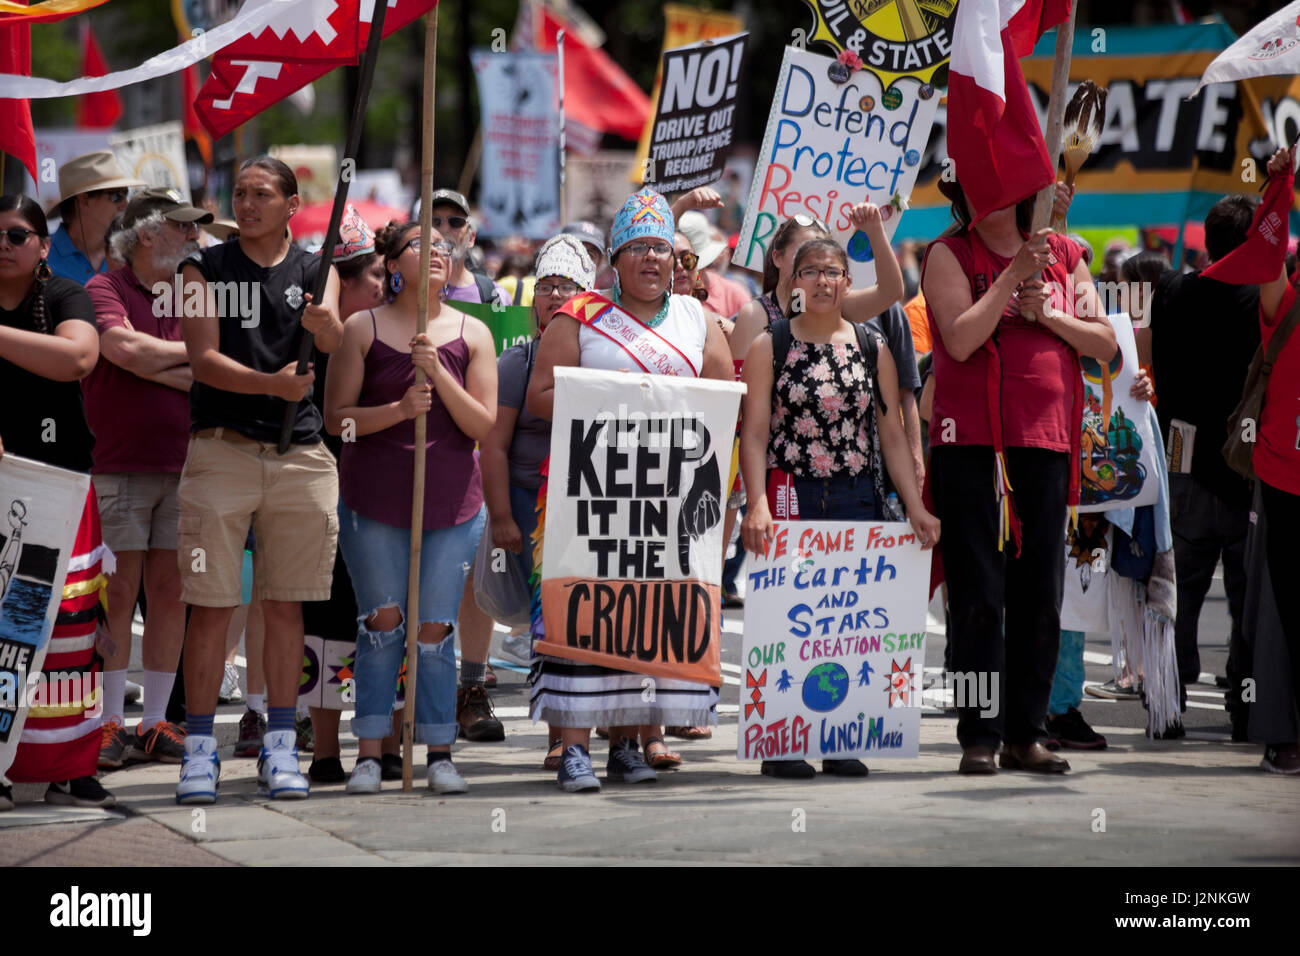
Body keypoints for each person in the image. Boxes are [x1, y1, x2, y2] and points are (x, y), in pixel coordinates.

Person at [525, 187, 733, 792]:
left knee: (645, 618)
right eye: (636, 248)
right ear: (614, 260)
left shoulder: (698, 320)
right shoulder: (579, 317)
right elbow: (540, 397)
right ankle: (572, 750)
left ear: (676, 259)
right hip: (589, 495)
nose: (650, 259)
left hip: (669, 499)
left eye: (660, 249)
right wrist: (617, 398)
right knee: (583, 615)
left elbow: (724, 402)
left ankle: (627, 744)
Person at [921, 175, 1116, 776]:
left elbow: (1105, 344)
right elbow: (956, 340)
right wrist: (1009, 279)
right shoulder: (948, 254)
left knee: (1040, 595)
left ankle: (1027, 731)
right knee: (979, 596)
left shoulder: (1065, 254)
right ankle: (980, 733)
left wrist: (1050, 313)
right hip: (973, 446)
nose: (997, 192)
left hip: (1046, 443)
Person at [173, 157, 344, 805]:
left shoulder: (315, 270)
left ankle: (278, 745)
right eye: (239, 193)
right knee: (212, 604)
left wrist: (325, 326)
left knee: (285, 605)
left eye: (262, 193)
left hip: (301, 454)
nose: (247, 203)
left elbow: (333, 333)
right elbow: (203, 360)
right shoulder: (199, 268)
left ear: (292, 204)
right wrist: (271, 385)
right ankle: (197, 749)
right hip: (222, 452)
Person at [739, 235, 940, 779]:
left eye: (834, 272)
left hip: (855, 497)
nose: (824, 281)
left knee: (845, 621)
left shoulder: (872, 346)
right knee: (790, 622)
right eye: (812, 272)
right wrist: (756, 503)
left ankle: (839, 733)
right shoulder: (770, 345)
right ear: (793, 283)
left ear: (848, 282)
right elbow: (753, 435)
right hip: (790, 495)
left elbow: (892, 435)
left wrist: (915, 507)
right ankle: (783, 741)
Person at [325, 221, 496, 794]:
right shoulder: (361, 328)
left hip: (450, 504)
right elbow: (338, 421)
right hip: (373, 501)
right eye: (423, 245)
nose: (439, 253)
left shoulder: (474, 333)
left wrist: (438, 377)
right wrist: (398, 409)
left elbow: (481, 424)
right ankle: (370, 751)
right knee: (382, 624)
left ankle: (440, 750)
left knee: (435, 629)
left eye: (445, 246)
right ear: (394, 264)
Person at [83, 188, 213, 770]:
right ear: (145, 236)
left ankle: (154, 719)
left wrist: (158, 360)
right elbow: (119, 348)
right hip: (119, 463)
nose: (195, 238)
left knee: (168, 594)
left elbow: (209, 369)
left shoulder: (194, 290)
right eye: (183, 229)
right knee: (117, 594)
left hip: (184, 465)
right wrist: (188, 360)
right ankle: (109, 720)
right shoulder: (103, 288)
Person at [0, 194, 113, 809]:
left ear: (44, 246)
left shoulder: (65, 294)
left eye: (17, 235)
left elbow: (78, 358)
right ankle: (0, 760)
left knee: (67, 627)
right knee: (3, 628)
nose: (4, 245)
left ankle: (73, 760)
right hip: (0, 489)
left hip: (60, 486)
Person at [481, 234, 594, 771]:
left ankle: (614, 735)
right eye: (545, 287)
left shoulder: (604, 356)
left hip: (596, 506)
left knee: (594, 617)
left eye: (566, 286)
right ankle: (560, 735)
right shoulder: (516, 362)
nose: (553, 296)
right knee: (551, 620)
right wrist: (501, 515)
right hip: (534, 509)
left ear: (588, 296)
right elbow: (494, 445)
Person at [1149, 196, 1261, 738]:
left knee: (1178, 589)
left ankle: (1167, 702)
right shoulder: (1259, 302)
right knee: (1245, 597)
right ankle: (1245, 706)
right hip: (1244, 465)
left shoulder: (1172, 291)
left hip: (1182, 459)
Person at [301, 205, 395, 785]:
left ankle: (382, 742)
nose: (384, 286)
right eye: (374, 276)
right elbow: (334, 423)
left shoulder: (397, 331)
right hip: (323, 488)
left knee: (387, 615)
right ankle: (325, 751)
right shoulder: (307, 334)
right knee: (329, 612)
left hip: (385, 491)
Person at [1250, 144, 1300, 774]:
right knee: (1287, 615)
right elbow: (1266, 258)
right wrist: (1278, 188)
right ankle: (1286, 734)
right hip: (1284, 480)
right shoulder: (1285, 307)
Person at [45, 152, 144, 284]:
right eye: (117, 195)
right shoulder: (40, 255)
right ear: (84, 200)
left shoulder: (133, 252)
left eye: (125, 193)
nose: (125, 204)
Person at [677, 210, 752, 320]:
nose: (679, 266)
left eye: (687, 259)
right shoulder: (655, 296)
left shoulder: (734, 295)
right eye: (673, 259)